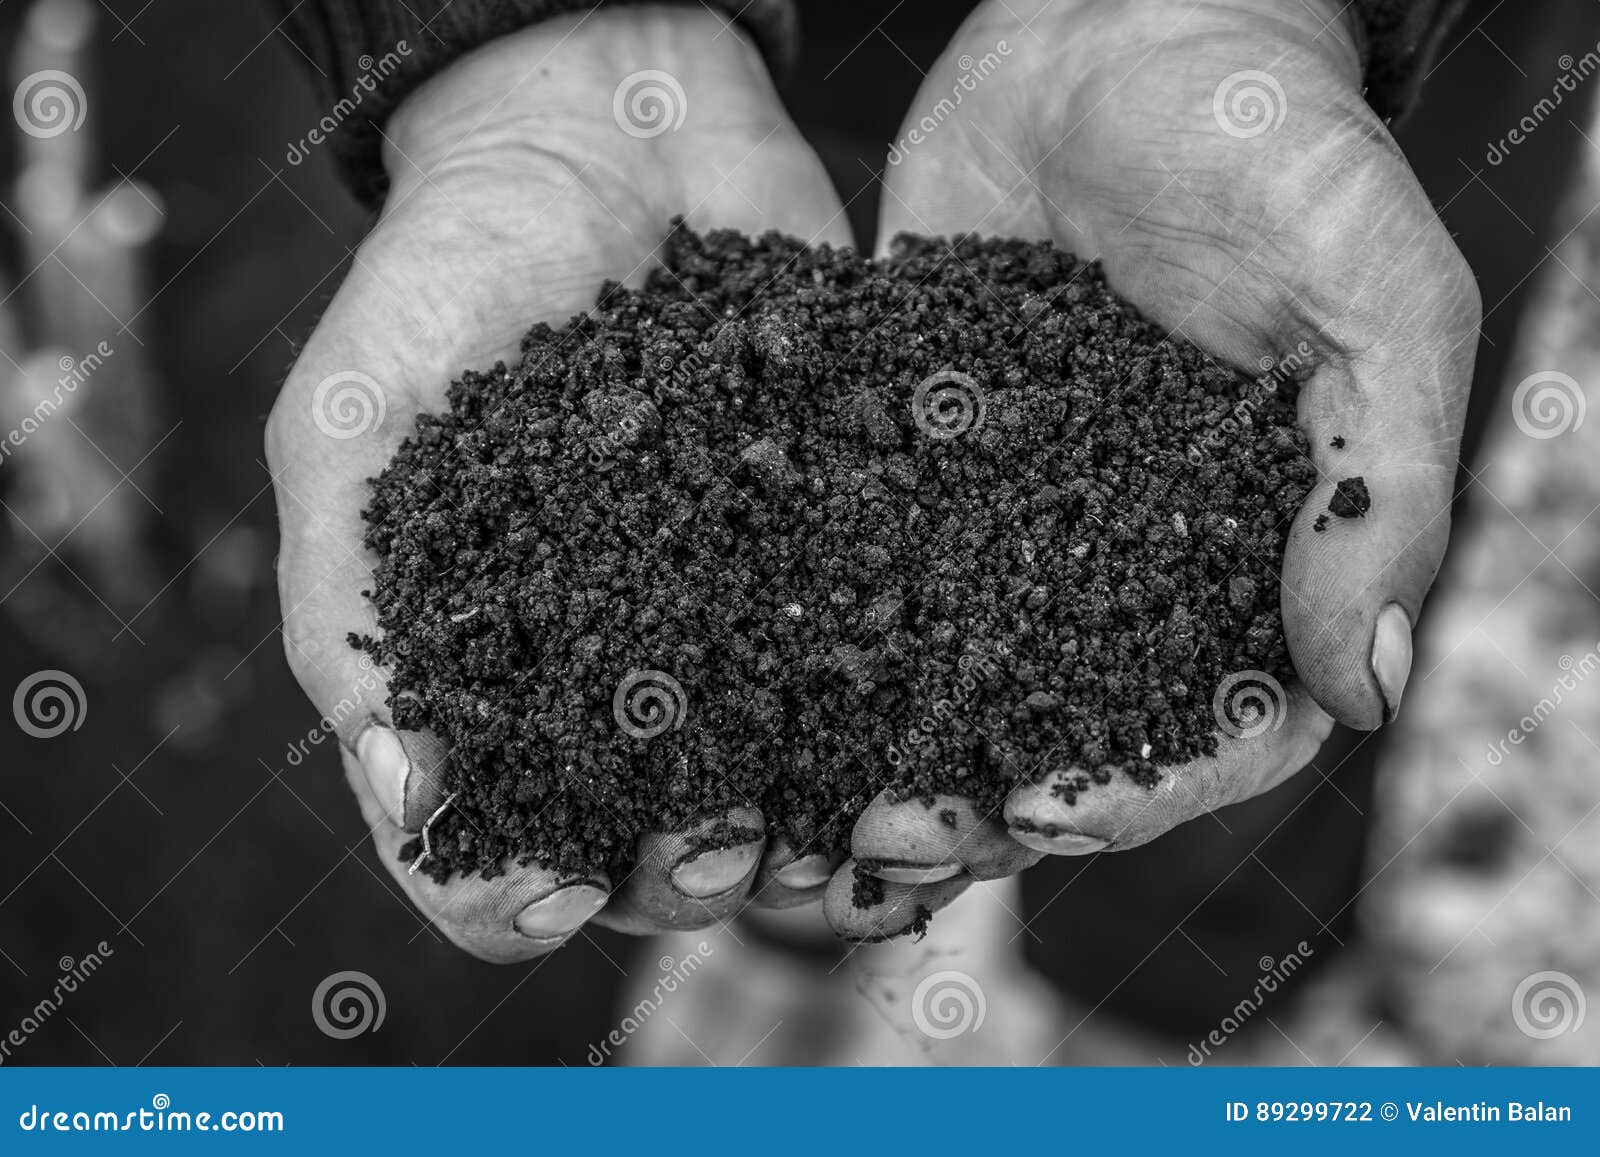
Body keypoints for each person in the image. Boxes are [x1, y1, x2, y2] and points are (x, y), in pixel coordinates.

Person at [264, 0, 1478, 971]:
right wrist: (514, 61)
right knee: (734, 836)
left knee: (1275, 667)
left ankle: (1170, 997)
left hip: (1208, 126)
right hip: (745, 72)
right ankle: (790, 967)